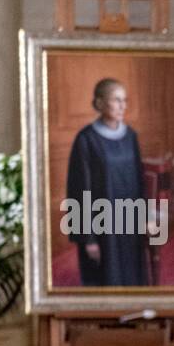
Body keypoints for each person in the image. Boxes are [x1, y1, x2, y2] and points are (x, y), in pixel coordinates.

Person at [66, 78, 152, 287]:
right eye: (116, 100)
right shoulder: (86, 139)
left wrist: (145, 218)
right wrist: (88, 238)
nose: (123, 105)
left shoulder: (130, 136)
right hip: (101, 227)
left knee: (133, 280)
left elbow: (139, 182)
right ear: (100, 103)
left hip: (129, 225)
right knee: (106, 282)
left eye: (125, 100)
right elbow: (79, 191)